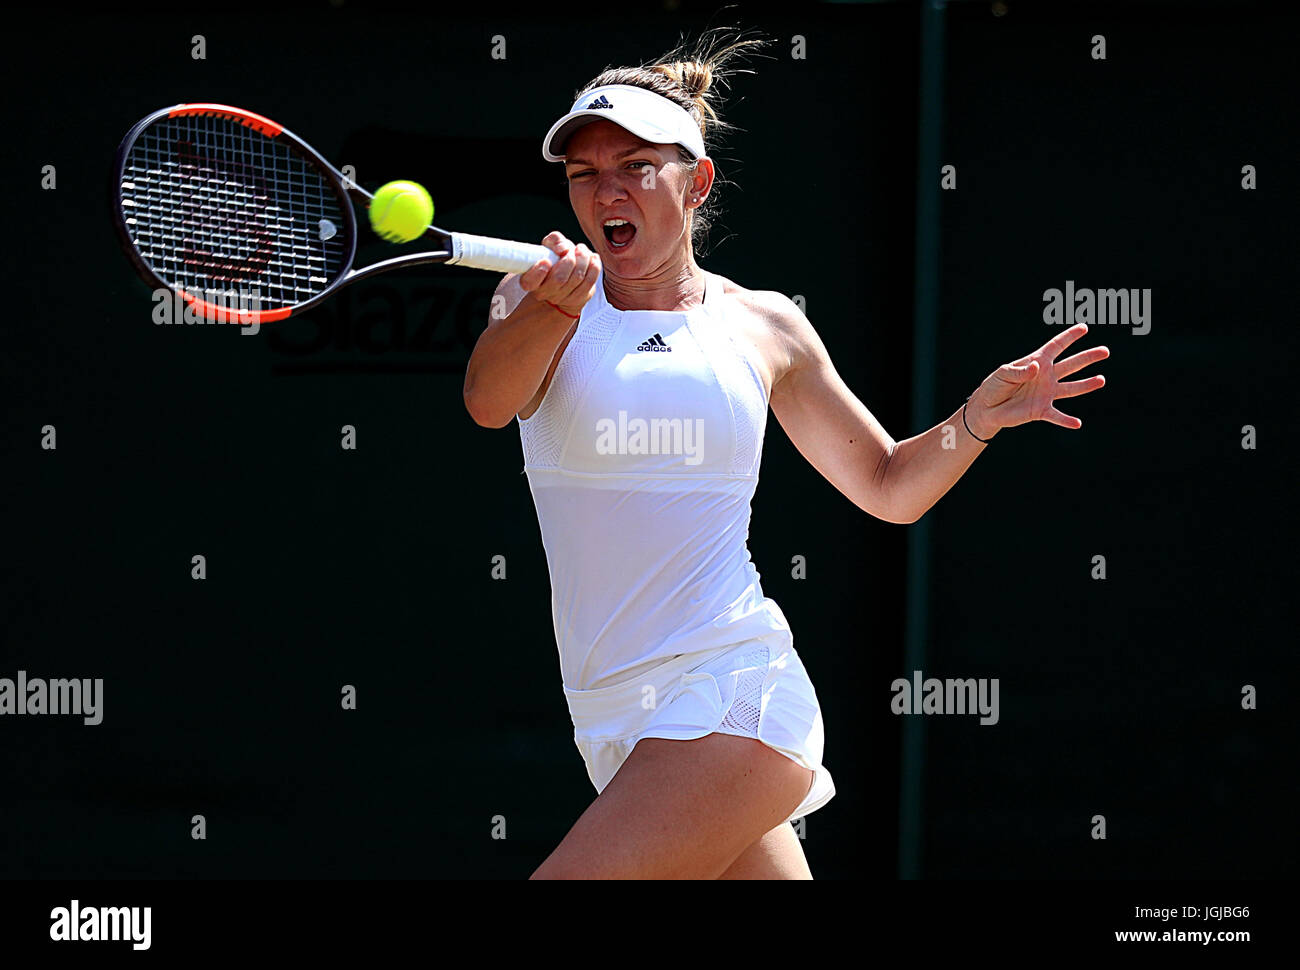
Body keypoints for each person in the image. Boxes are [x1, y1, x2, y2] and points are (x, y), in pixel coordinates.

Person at [462, 31, 1108, 880]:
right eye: (584, 173)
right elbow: (489, 402)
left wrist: (974, 420)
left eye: (636, 167)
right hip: (610, 714)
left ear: (697, 183)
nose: (607, 190)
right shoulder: (530, 295)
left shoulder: (765, 326)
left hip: (732, 694)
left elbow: (888, 486)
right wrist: (554, 308)